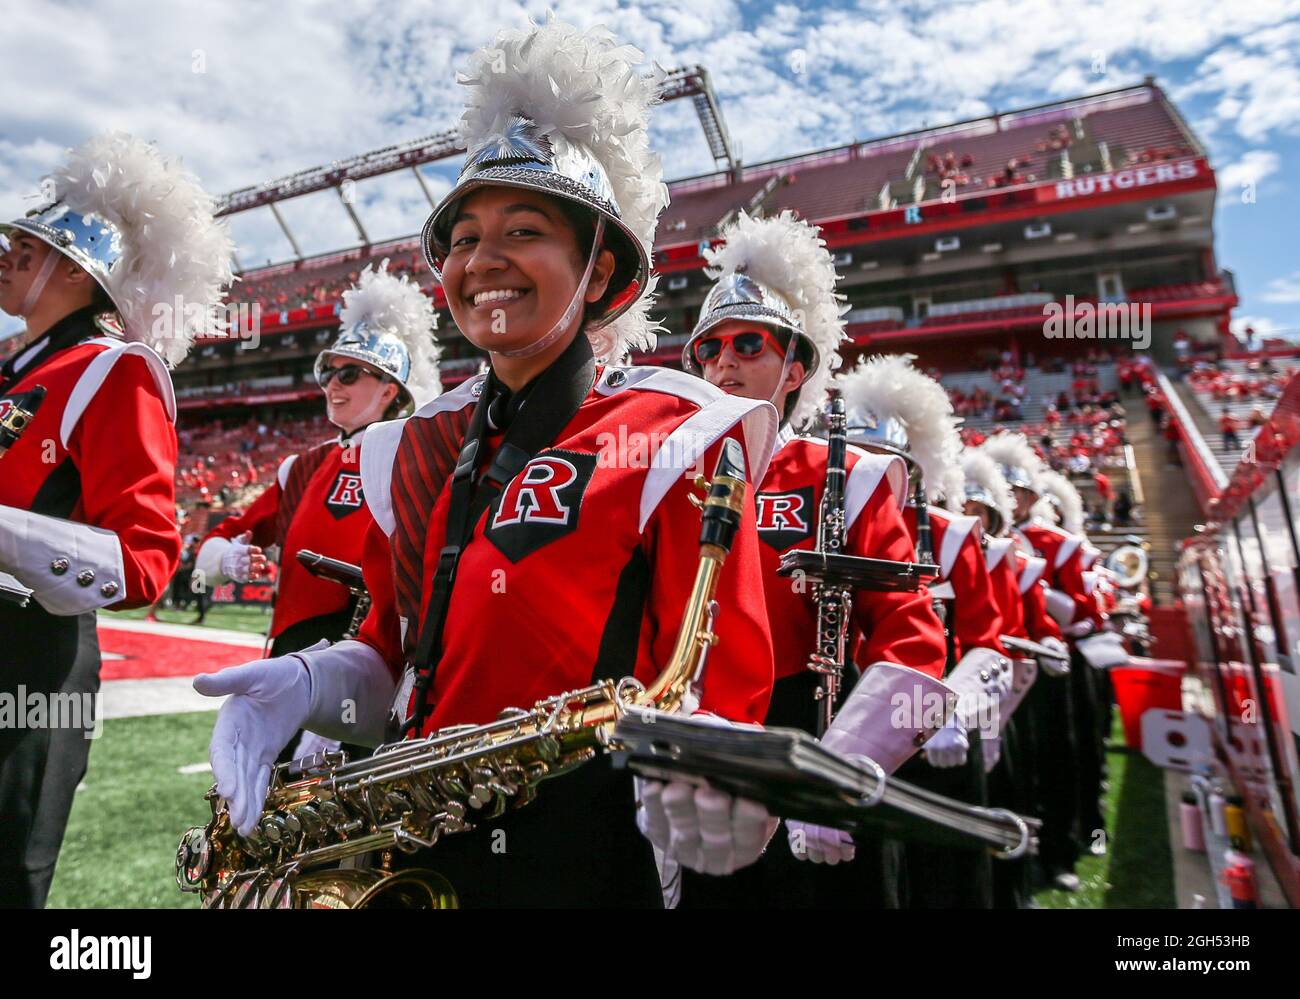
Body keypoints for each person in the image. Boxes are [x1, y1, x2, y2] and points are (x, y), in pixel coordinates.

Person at [193, 18, 779, 908]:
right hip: (422, 844)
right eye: (462, 239)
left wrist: (728, 779)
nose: (483, 260)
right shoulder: (416, 443)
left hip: (587, 850)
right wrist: (305, 684)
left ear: (599, 266)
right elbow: (395, 656)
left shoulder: (678, 431)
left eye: (524, 229)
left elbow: (722, 683)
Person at [679, 211, 950, 907]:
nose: (722, 362)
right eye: (707, 350)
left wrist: (843, 767)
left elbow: (914, 643)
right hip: (696, 747)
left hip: (817, 730)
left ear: (796, 366)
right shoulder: (666, 476)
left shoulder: (851, 476)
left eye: (748, 343)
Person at [0, 132, 233, 906]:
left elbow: (143, 563)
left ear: (76, 268)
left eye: (25, 247)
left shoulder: (114, 368)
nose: (7, 252)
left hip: (31, 657)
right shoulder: (13, 365)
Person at [196, 262, 441, 761]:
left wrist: (351, 699)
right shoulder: (299, 468)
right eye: (328, 372)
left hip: (376, 663)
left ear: (391, 387)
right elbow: (215, 542)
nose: (332, 383)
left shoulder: (416, 460)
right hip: (290, 659)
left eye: (349, 373)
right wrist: (228, 559)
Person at [838, 354, 1013, 908]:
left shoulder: (955, 535)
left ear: (912, 468)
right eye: (861, 458)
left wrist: (950, 712)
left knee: (949, 877)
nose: (874, 471)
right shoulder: (832, 525)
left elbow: (988, 643)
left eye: (886, 459)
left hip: (945, 737)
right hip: (861, 732)